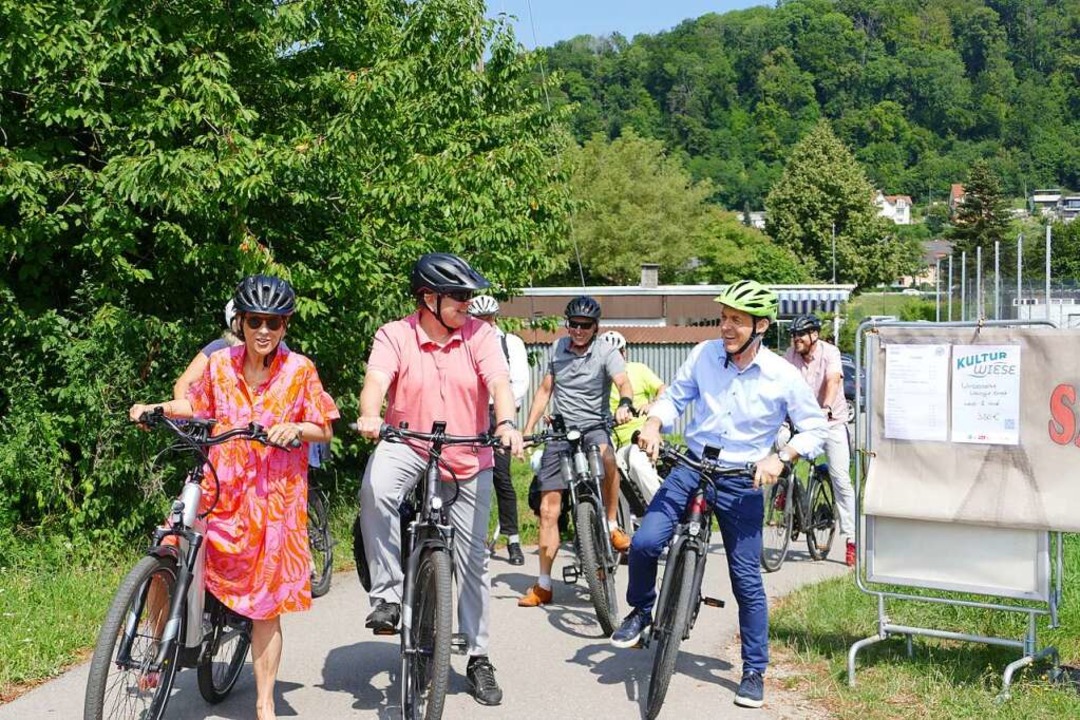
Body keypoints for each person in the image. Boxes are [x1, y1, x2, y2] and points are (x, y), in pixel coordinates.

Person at [609, 279, 827, 710]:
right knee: (647, 541)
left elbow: (815, 426)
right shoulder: (704, 353)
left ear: (760, 326)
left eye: (736, 320)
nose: (725, 327)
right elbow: (676, 397)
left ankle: (753, 670)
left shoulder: (781, 376)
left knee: (746, 579)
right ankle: (640, 609)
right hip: (692, 464)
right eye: (723, 317)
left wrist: (780, 459)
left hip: (742, 478)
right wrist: (653, 424)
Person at [130, 275, 339, 720]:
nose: (264, 330)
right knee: (171, 541)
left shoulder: (300, 370)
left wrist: (295, 429)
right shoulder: (219, 364)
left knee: (265, 606)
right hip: (221, 488)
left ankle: (265, 704)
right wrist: (156, 409)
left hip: (273, 502)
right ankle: (158, 645)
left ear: (285, 326)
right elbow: (196, 405)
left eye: (275, 322)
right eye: (256, 321)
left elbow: (324, 426)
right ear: (241, 322)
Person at [355, 253, 523, 707]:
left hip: (470, 453)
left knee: (473, 563)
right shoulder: (395, 335)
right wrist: (370, 413)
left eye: (470, 296)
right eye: (460, 297)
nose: (468, 304)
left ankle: (479, 657)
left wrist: (506, 423)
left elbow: (500, 385)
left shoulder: (482, 335)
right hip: (409, 443)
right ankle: (388, 595)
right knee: (377, 488)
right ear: (428, 298)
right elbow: (376, 380)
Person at [518, 296, 635, 608]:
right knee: (548, 510)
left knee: (608, 456)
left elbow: (623, 382)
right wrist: (528, 430)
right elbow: (544, 391)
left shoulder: (606, 351)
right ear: (566, 324)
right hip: (561, 431)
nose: (579, 330)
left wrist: (625, 403)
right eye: (574, 324)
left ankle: (610, 524)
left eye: (585, 326)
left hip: (595, 425)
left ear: (595, 327)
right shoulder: (557, 349)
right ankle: (543, 584)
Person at [784, 313, 858, 567]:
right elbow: (783, 386)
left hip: (831, 422)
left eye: (800, 335)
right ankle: (789, 497)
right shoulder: (790, 356)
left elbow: (833, 380)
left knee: (840, 478)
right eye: (794, 336)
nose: (796, 340)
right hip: (803, 424)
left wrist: (825, 408)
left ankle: (852, 539)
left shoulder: (830, 352)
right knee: (778, 445)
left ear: (814, 335)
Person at [468, 294, 530, 566]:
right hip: (470, 413)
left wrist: (505, 413)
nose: (484, 323)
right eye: (478, 318)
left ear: (495, 317)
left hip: (498, 413)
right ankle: (471, 538)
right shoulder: (465, 340)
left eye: (488, 318)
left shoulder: (509, 343)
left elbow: (520, 381)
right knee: (467, 476)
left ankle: (513, 539)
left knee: (501, 477)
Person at [598, 330, 667, 504]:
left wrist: (652, 405)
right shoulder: (596, 379)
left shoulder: (638, 370)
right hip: (612, 443)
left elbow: (663, 389)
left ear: (624, 352)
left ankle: (662, 513)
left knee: (636, 461)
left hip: (641, 437)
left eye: (618, 353)